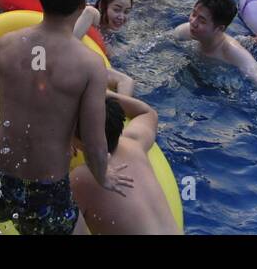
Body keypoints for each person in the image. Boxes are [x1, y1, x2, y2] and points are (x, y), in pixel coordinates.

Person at [0, 0, 130, 235]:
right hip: (46, 189)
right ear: (83, 4)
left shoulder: (6, 45)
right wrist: (103, 176)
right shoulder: (90, 65)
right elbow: (95, 142)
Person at [169, 0, 257, 141]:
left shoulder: (233, 53)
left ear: (220, 28)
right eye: (193, 14)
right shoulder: (185, 32)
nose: (193, 22)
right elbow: (158, 42)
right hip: (193, 76)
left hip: (222, 93)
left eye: (202, 20)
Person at [70, 94, 181, 235]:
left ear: (83, 141)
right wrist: (105, 93)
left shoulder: (80, 179)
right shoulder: (135, 143)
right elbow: (148, 112)